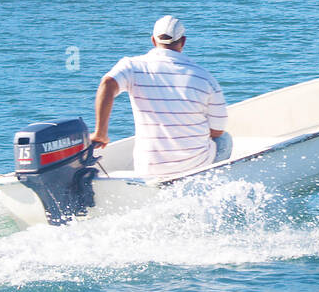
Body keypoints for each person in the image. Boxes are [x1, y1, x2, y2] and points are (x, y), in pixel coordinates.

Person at [89, 15, 230, 179]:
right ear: (183, 42)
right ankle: (210, 185)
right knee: (225, 139)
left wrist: (101, 132)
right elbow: (218, 131)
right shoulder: (205, 78)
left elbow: (107, 84)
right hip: (194, 167)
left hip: (148, 169)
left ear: (153, 41)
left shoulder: (132, 67)